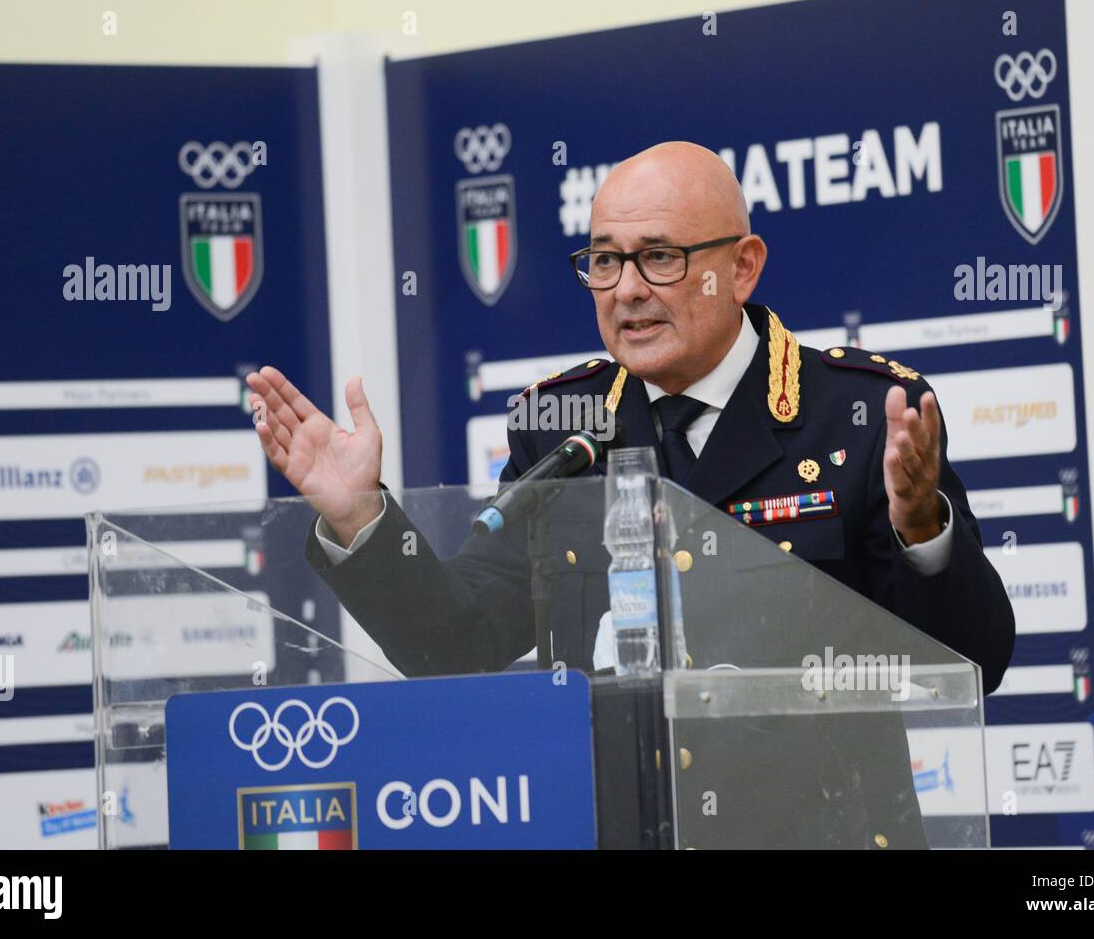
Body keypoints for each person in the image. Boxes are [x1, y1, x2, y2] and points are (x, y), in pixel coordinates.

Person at [246, 141, 1016, 847]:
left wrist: (922, 530)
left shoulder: (857, 414)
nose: (627, 291)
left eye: (660, 258)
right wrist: (362, 516)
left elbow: (971, 661)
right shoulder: (562, 427)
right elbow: (457, 640)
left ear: (742, 266)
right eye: (604, 262)